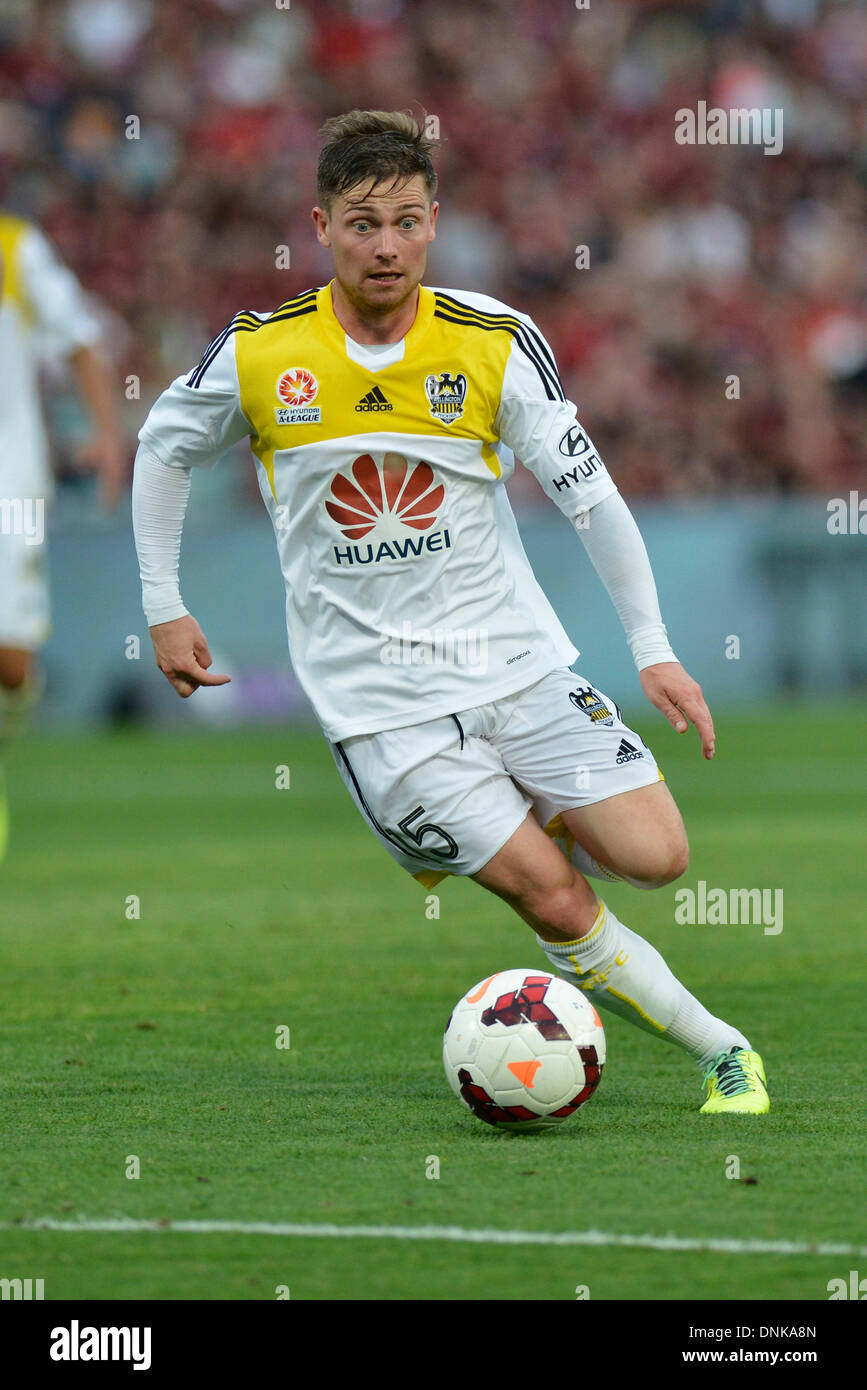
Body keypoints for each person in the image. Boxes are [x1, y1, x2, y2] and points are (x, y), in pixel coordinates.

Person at [132, 110, 768, 1114]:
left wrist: (654, 649)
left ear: (435, 223)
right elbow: (163, 448)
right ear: (322, 226)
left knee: (660, 856)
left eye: (406, 221)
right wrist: (164, 605)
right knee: (554, 896)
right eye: (362, 222)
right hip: (387, 712)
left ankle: (532, 830)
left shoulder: (494, 342)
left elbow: (590, 499)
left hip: (517, 666)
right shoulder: (262, 355)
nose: (385, 245)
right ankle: (723, 1051)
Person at [0, 210, 125, 861]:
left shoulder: (15, 248)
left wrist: (106, 434)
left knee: (12, 662)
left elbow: (79, 338)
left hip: (10, 491)